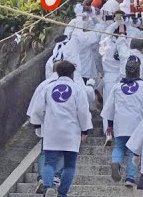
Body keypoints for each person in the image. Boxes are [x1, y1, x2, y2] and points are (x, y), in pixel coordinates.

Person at [28, 60, 92, 197]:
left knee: (49, 163)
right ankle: (62, 193)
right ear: (72, 73)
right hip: (71, 132)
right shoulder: (78, 89)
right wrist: (85, 129)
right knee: (69, 166)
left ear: (56, 72)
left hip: (52, 131)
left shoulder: (48, 88)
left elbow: (38, 109)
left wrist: (40, 123)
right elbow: (83, 112)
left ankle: (47, 187)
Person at [101, 59, 143, 186]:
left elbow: (110, 108)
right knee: (133, 151)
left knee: (119, 146)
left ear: (125, 71)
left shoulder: (117, 87)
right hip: (137, 124)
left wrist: (110, 125)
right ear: (138, 71)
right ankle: (130, 177)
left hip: (120, 123)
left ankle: (116, 162)